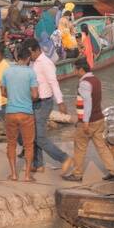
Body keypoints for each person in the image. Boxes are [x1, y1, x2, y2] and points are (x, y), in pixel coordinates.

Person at [63, 58, 114, 182]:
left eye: (75, 69)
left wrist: (85, 122)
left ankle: (77, 174)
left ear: (81, 69)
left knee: (79, 147)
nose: (75, 72)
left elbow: (88, 102)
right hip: (99, 119)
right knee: (102, 147)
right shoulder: (96, 80)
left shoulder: (84, 83)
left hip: (88, 121)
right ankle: (113, 171)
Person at [25, 38, 74, 175]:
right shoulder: (33, 63)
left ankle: (64, 158)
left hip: (44, 102)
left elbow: (53, 83)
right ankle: (38, 164)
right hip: (35, 102)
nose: (30, 56)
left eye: (31, 53)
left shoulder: (45, 63)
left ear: (36, 50)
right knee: (34, 135)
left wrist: (60, 102)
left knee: (40, 137)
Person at [0, 45, 39, 182]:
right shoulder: (30, 73)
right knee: (29, 144)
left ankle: (14, 174)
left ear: (17, 57)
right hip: (26, 113)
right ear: (28, 58)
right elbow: (35, 95)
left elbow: (3, 93)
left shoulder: (7, 72)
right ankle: (27, 175)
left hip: (10, 112)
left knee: (11, 144)